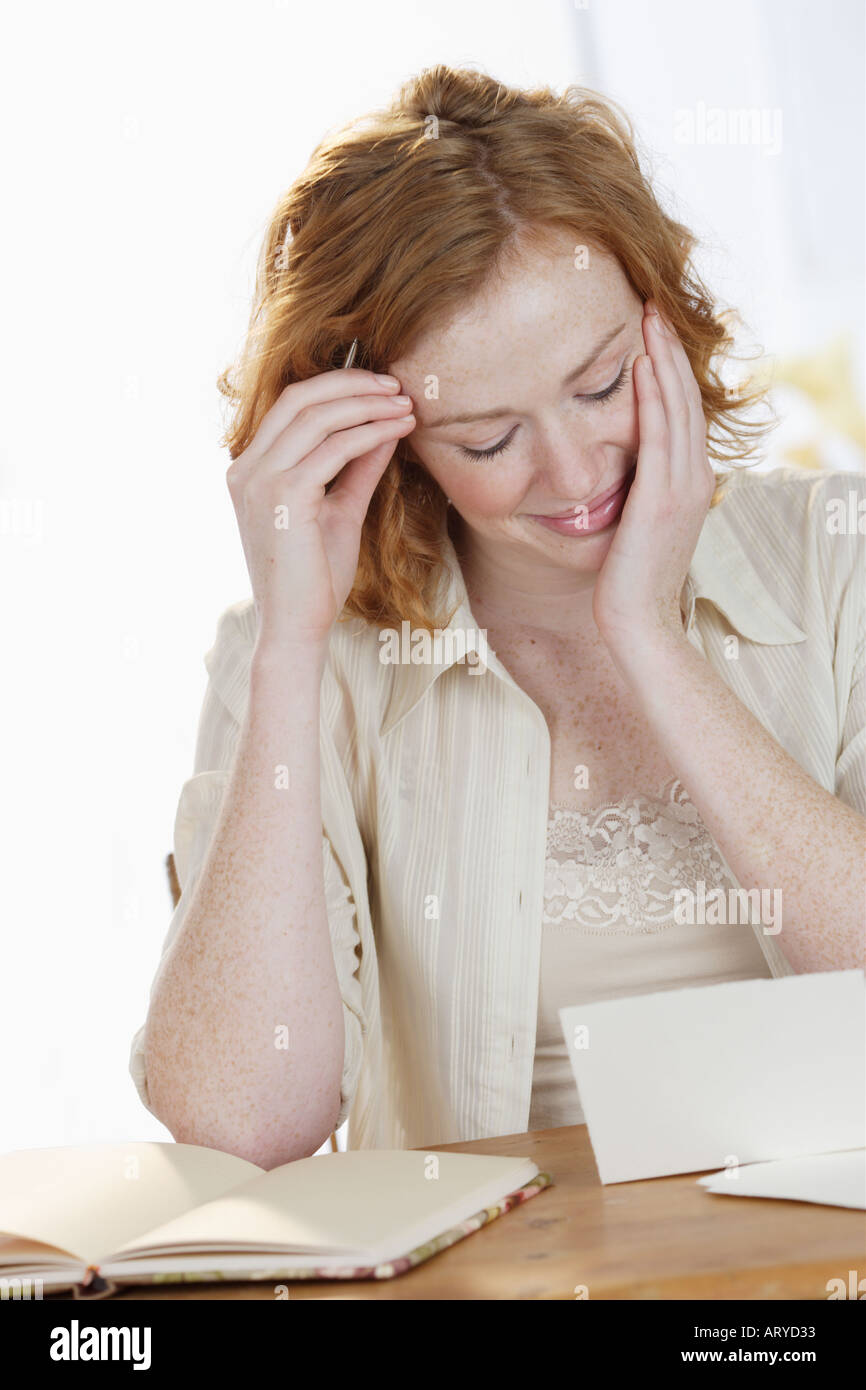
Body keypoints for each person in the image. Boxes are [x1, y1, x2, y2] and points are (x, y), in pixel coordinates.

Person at [129, 65, 865, 1167]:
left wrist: (648, 638)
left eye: (601, 382)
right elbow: (242, 1119)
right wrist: (288, 648)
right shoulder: (307, 655)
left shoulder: (831, 557)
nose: (572, 471)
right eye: (484, 439)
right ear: (387, 446)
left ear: (663, 318)